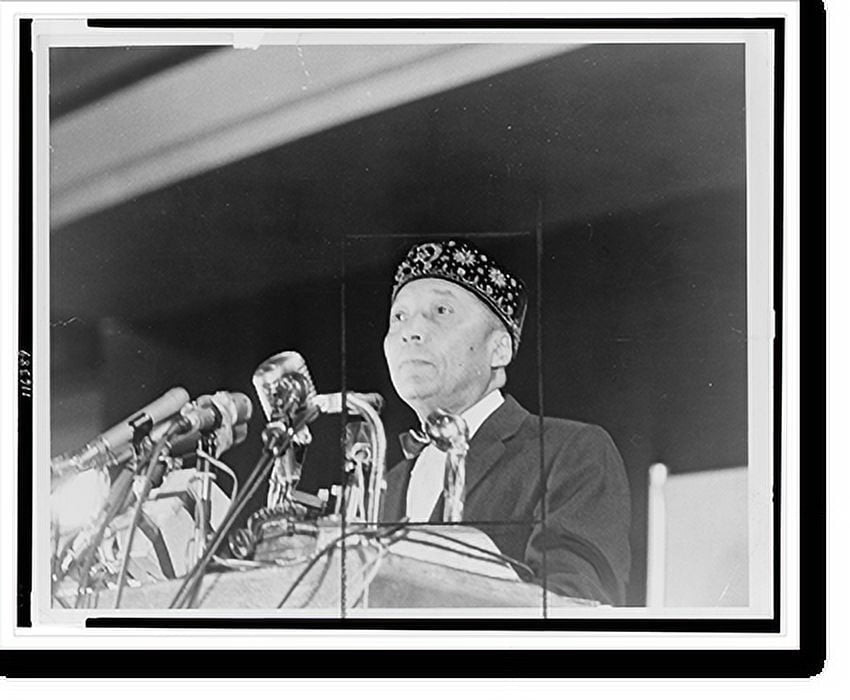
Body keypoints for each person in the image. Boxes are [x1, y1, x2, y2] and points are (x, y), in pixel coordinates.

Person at [381, 239, 631, 605]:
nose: (410, 331)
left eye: (440, 310)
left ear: (499, 348)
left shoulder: (571, 452)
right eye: (398, 316)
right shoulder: (389, 484)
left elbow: (578, 609)